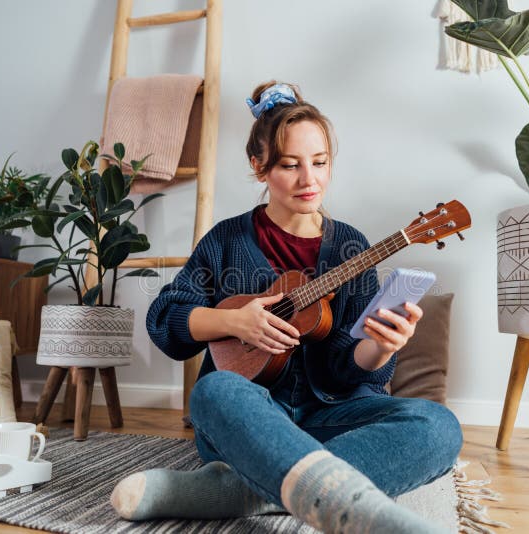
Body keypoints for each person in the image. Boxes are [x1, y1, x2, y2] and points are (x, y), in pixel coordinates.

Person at [110, 81, 462, 533]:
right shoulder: (226, 240)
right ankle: (328, 491)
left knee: (439, 426)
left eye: (320, 162)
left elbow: (352, 373)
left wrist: (381, 346)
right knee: (213, 391)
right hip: (254, 421)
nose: (308, 179)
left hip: (331, 417)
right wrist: (234, 321)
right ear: (259, 167)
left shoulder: (352, 247)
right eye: (290, 165)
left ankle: (239, 492)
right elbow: (165, 321)